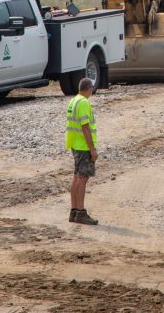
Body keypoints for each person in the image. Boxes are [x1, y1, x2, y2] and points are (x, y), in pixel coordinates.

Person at [65, 77, 99, 225]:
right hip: (83, 146)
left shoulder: (73, 101)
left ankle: (73, 211)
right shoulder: (84, 102)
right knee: (83, 179)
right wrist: (92, 149)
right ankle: (80, 212)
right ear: (89, 88)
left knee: (76, 177)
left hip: (74, 144)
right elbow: (85, 127)